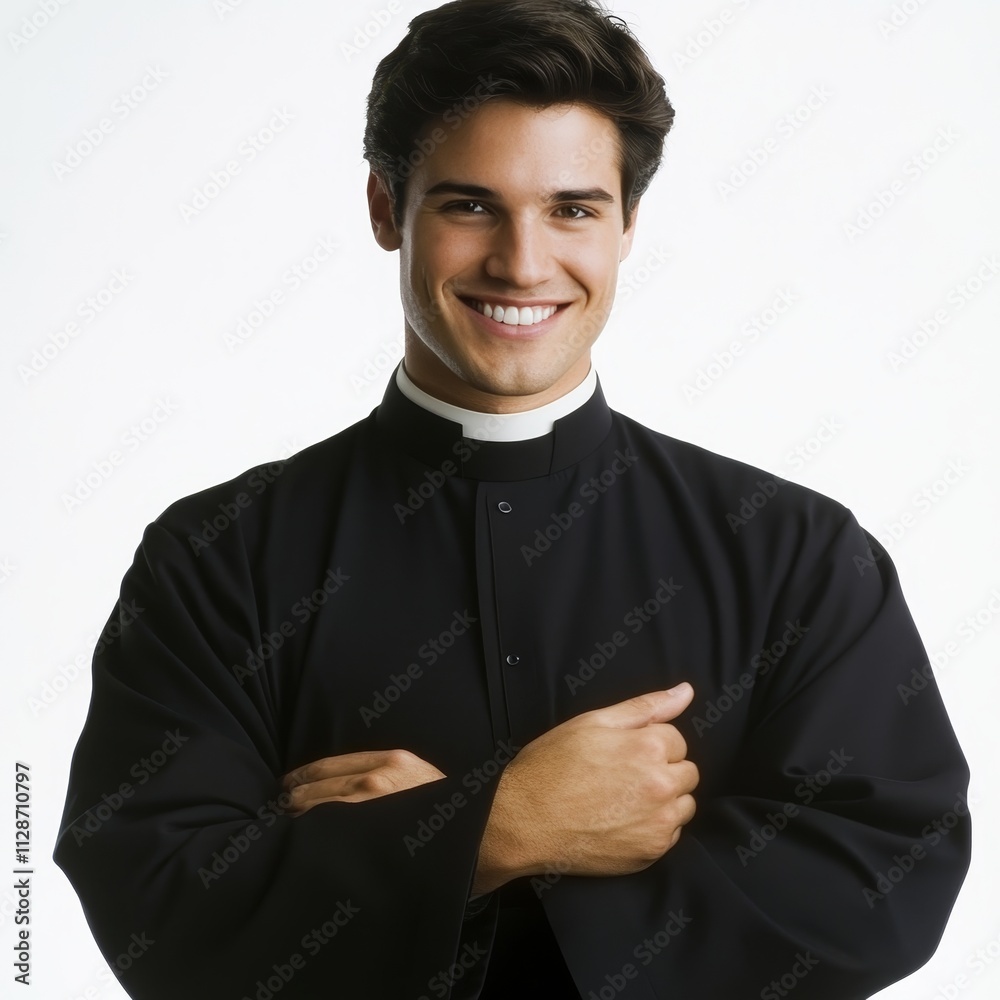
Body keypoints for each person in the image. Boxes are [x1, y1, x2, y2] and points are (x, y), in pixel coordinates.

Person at [54, 1, 971, 997]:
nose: (522, 264)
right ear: (382, 207)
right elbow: (159, 910)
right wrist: (509, 819)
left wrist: (462, 851)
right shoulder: (217, 555)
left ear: (627, 225)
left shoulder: (797, 552)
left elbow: (885, 879)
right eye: (469, 205)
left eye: (571, 208)